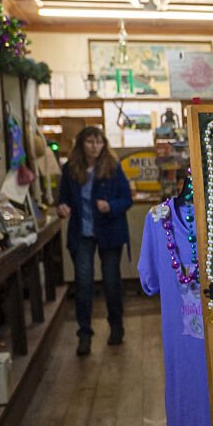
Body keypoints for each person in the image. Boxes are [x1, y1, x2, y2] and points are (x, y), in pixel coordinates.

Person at [56, 126, 132, 357]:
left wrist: (111, 206)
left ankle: (116, 327)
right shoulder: (70, 169)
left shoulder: (112, 167)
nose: (95, 147)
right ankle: (85, 334)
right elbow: (62, 199)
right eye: (90, 142)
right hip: (82, 233)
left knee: (111, 282)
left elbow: (126, 198)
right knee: (84, 284)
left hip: (109, 231)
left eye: (99, 142)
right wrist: (62, 207)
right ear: (81, 144)